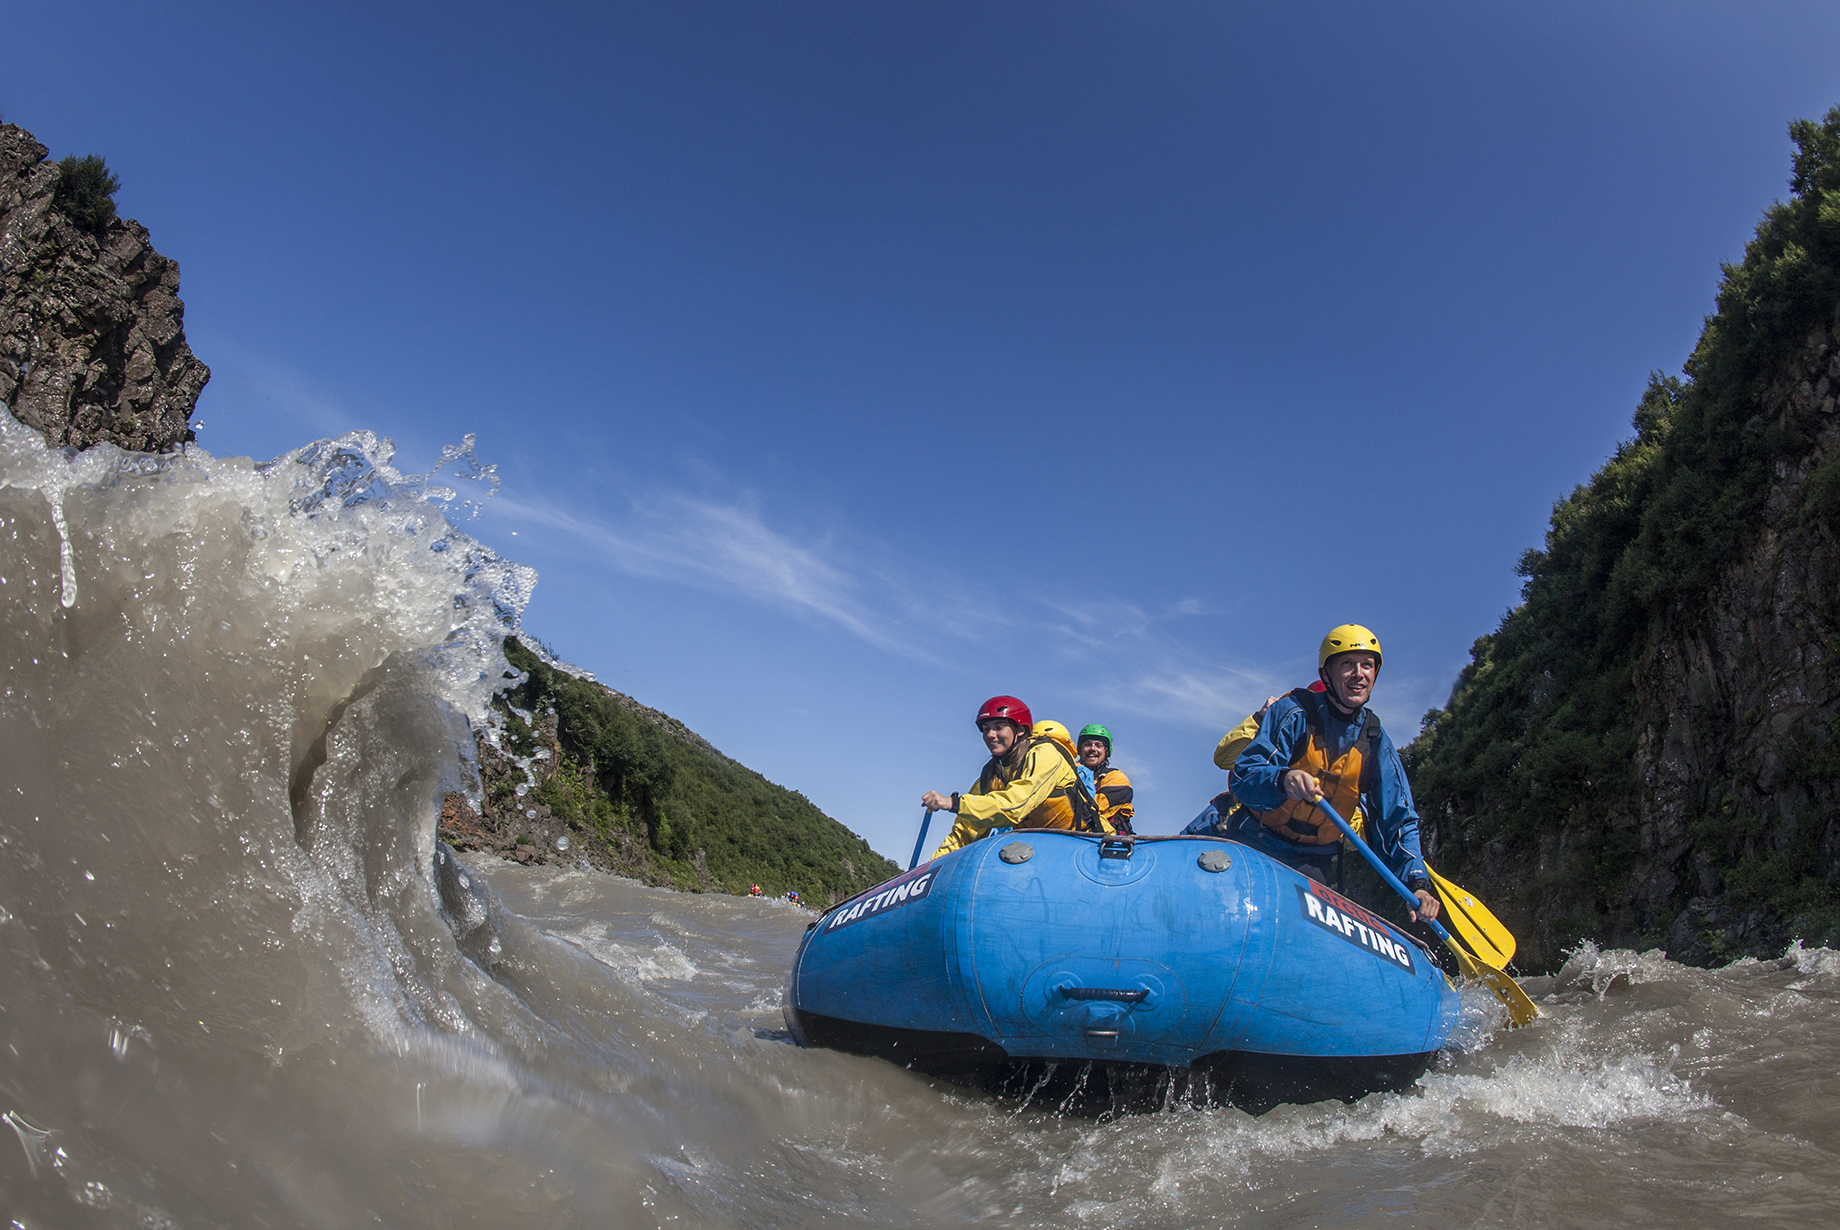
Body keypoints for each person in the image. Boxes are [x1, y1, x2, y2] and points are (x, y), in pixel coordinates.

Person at [1187, 625, 1439, 921]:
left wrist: (1417, 884)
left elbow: (1397, 817)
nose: (1359, 674)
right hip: (1256, 842)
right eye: (1347, 664)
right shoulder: (1294, 712)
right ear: (1327, 674)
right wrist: (1283, 779)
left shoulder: (1375, 740)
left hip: (1312, 861)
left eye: (1367, 665)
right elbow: (1246, 775)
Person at [920, 696, 1109, 858]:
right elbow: (966, 831)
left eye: (999, 727)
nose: (990, 735)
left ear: (1020, 731)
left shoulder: (1046, 754)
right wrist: (929, 869)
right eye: (986, 729)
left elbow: (1015, 806)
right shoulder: (991, 774)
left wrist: (953, 803)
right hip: (1044, 848)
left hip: (1089, 844)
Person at [1077, 724, 1134, 835]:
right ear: (1080, 749)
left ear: (1106, 752)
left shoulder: (1116, 778)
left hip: (1110, 844)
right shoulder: (1070, 775)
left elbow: (1093, 808)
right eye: (1087, 745)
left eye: (1098, 745)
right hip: (1074, 838)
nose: (1092, 749)